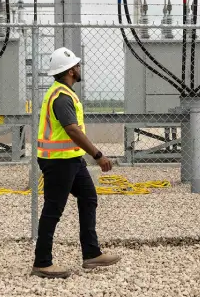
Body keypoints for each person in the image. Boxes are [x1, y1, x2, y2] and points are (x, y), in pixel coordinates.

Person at [30, 47, 121, 279]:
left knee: (88, 197)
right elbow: (72, 130)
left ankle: (91, 254)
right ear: (70, 71)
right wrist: (98, 155)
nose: (79, 68)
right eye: (77, 66)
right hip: (59, 161)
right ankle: (42, 263)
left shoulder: (63, 93)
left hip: (71, 159)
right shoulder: (61, 97)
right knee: (53, 210)